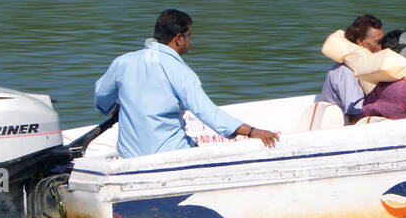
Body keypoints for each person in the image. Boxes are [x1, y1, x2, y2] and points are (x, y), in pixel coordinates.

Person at [94, 9, 279, 157]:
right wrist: (251, 131)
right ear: (179, 38)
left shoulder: (123, 62)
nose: (190, 41)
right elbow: (207, 112)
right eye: (189, 35)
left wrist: (112, 106)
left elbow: (101, 96)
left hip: (129, 157)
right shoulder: (181, 72)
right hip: (169, 156)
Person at [316, 13, 382, 119]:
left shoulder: (366, 68)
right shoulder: (345, 72)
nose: (382, 47)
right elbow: (356, 114)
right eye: (378, 42)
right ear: (360, 41)